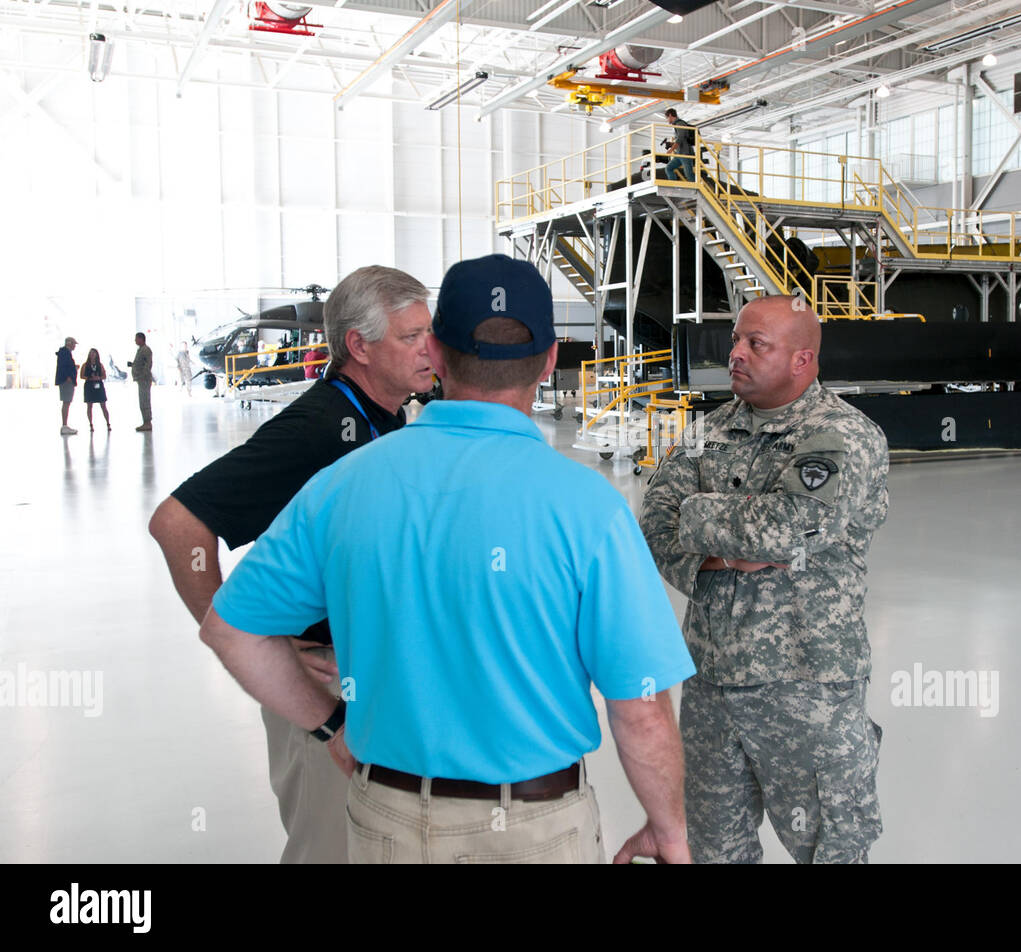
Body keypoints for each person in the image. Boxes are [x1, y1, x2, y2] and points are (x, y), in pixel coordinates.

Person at [198, 254, 696, 864]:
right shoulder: (590, 507)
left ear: (434, 351)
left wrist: (330, 725)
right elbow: (640, 707)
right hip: (534, 830)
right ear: (550, 359)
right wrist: (668, 831)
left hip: (387, 818)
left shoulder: (343, 486)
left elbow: (230, 628)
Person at [149, 265, 432, 863]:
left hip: (371, 674)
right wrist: (240, 637)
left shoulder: (388, 415)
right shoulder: (319, 428)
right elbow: (178, 523)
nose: (429, 348)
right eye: (411, 337)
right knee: (331, 847)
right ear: (359, 345)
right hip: (322, 687)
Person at [639, 295, 889, 864]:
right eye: (736, 340)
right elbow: (654, 524)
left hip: (805, 686)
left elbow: (785, 531)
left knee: (827, 848)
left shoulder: (841, 436)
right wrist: (727, 556)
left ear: (802, 360)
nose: (736, 354)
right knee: (714, 848)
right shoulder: (709, 430)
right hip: (710, 682)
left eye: (756, 344)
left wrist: (697, 518)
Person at [80, 347, 110, 432]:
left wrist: (99, 377)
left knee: (103, 405)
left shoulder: (100, 365)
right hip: (89, 386)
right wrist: (90, 378)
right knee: (89, 405)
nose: (92, 355)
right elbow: (82, 376)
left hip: (99, 385)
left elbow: (104, 375)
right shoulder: (85, 365)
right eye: (90, 353)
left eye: (93, 353)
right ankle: (91, 424)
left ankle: (108, 423)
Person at [663, 107, 697, 182]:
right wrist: (671, 144)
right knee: (669, 168)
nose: (667, 120)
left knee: (689, 174)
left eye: (667, 118)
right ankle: (674, 185)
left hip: (685, 153)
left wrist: (671, 149)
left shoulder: (680, 124)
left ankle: (695, 188)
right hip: (679, 154)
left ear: (670, 115)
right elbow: (680, 139)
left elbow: (680, 138)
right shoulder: (676, 125)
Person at [129, 332, 153, 432]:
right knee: (142, 401)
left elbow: (148, 364)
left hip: (144, 379)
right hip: (140, 379)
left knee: (145, 401)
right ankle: (145, 422)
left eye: (136, 339)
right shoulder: (140, 350)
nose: (135, 340)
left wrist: (142, 375)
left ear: (141, 339)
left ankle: (147, 422)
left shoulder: (146, 350)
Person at [55, 336, 79, 435]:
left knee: (67, 402)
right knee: (66, 402)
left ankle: (65, 425)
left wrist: (74, 367)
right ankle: (64, 425)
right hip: (66, 382)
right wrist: (68, 377)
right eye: (74, 344)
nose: (75, 346)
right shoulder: (65, 353)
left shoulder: (65, 353)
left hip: (66, 380)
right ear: (69, 343)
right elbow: (64, 366)